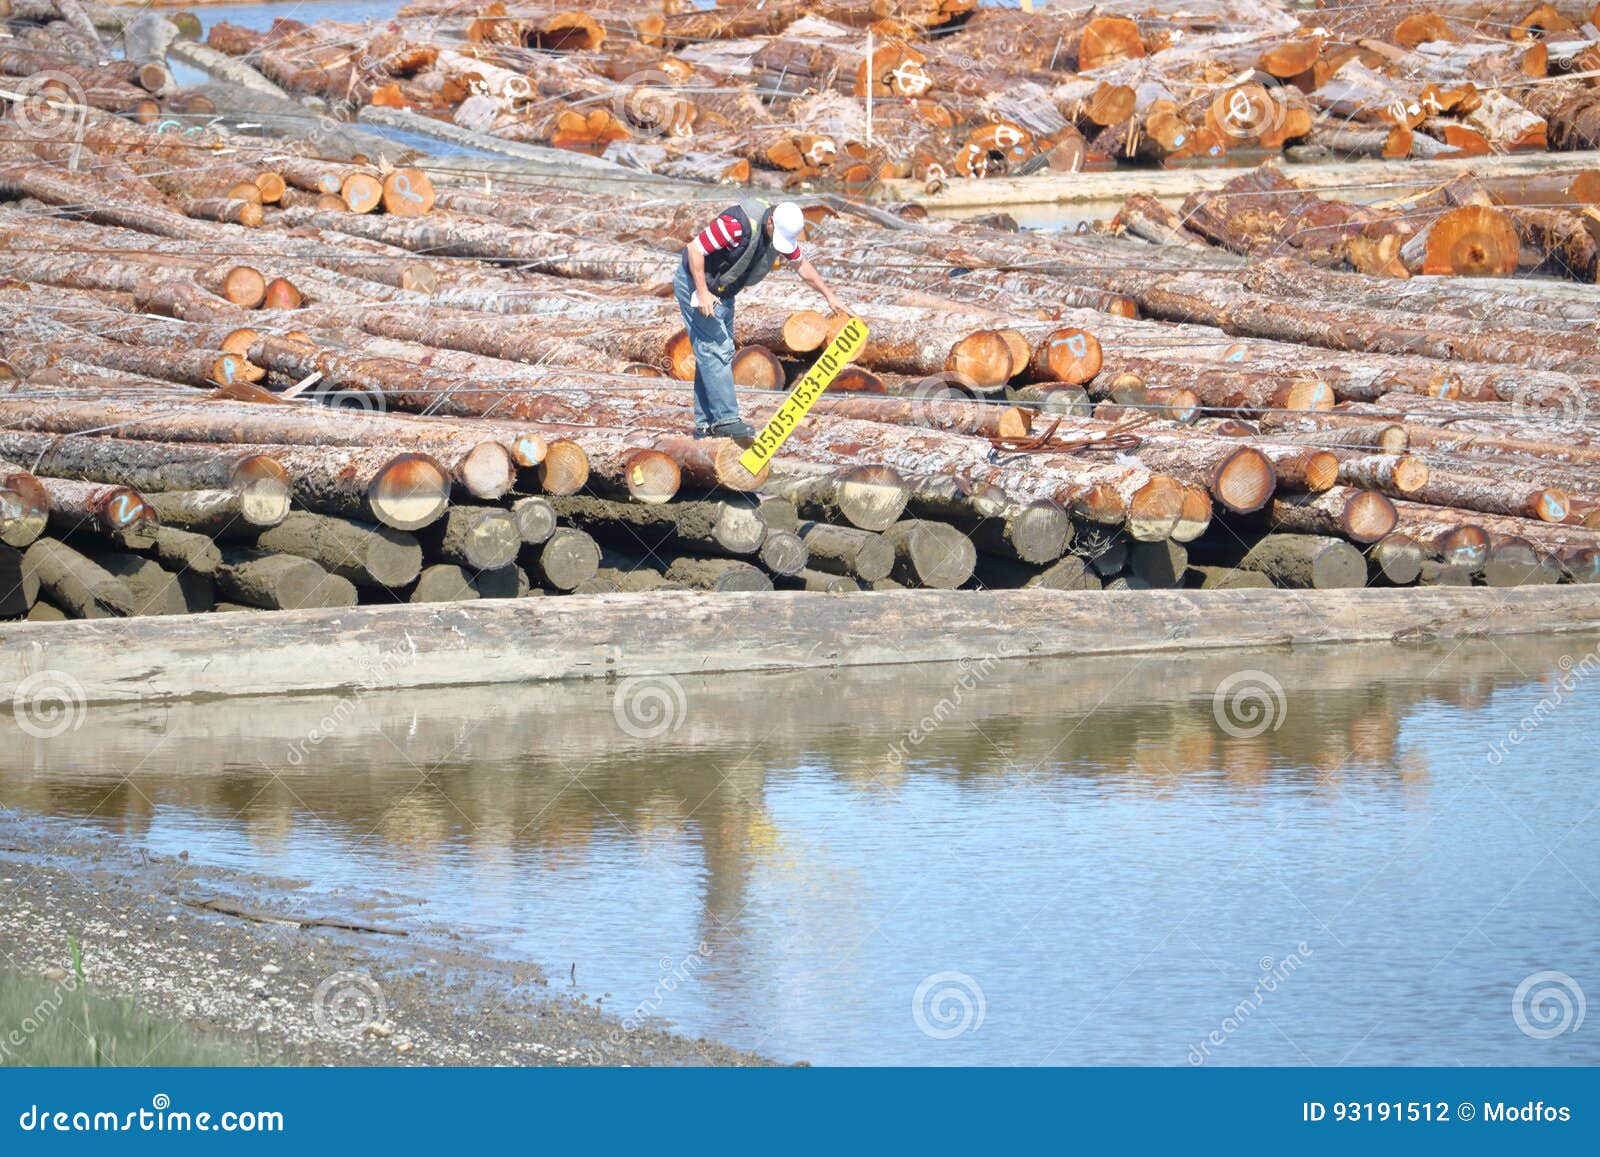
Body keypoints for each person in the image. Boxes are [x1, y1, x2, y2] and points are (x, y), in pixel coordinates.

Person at [675, 198, 851, 440]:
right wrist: (703, 292)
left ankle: (706, 425)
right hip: (696, 285)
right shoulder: (736, 225)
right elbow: (694, 249)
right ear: (770, 220)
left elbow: (802, 265)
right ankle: (725, 420)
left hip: (724, 291)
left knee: (714, 353)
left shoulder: (779, 231)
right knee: (716, 349)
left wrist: (829, 295)